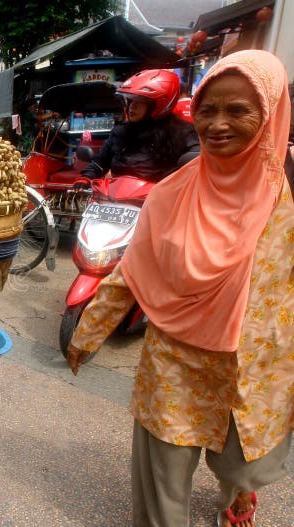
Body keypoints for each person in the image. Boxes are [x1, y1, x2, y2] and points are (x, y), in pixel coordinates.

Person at [66, 50, 293, 527]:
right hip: (174, 353)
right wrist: (87, 333)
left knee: (241, 458)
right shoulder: (170, 194)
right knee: (162, 474)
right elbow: (132, 271)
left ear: (271, 112)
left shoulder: (285, 195)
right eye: (207, 110)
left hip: (252, 359)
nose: (218, 124)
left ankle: (237, 498)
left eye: (238, 110)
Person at [77, 69, 200, 186]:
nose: (131, 107)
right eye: (129, 101)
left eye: (139, 101)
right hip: (114, 199)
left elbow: (196, 161)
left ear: (158, 104)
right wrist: (86, 177)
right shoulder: (121, 131)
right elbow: (101, 161)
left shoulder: (182, 132)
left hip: (159, 201)